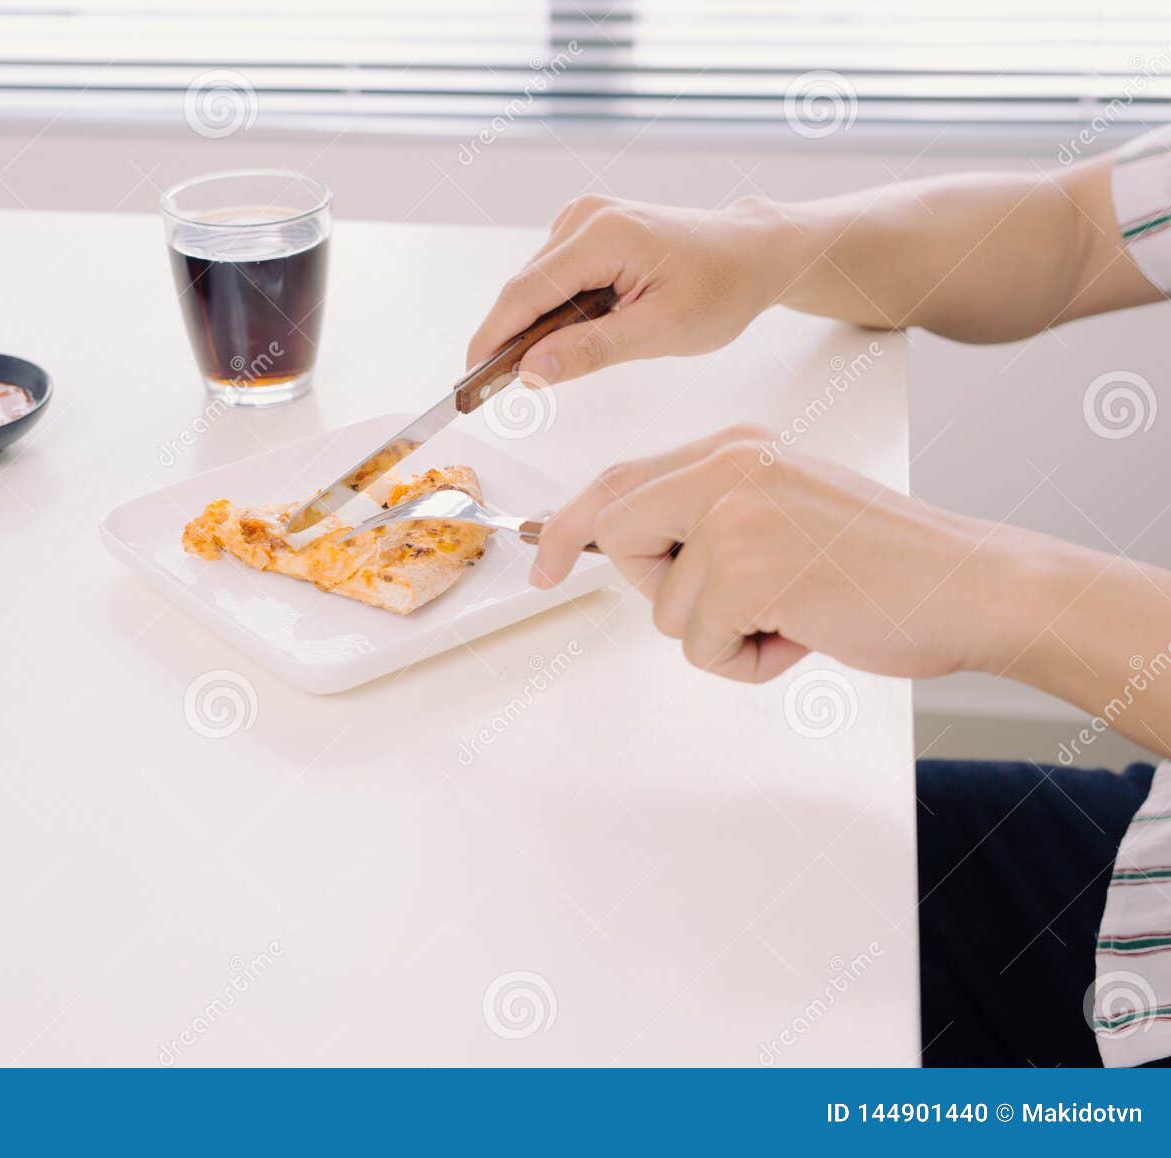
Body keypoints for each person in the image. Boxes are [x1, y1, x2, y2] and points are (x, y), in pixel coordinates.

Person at [469, 126, 1171, 1067]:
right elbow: (1081, 231)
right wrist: (771, 247)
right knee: (623, 899)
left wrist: (982, 585)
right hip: (1138, 876)